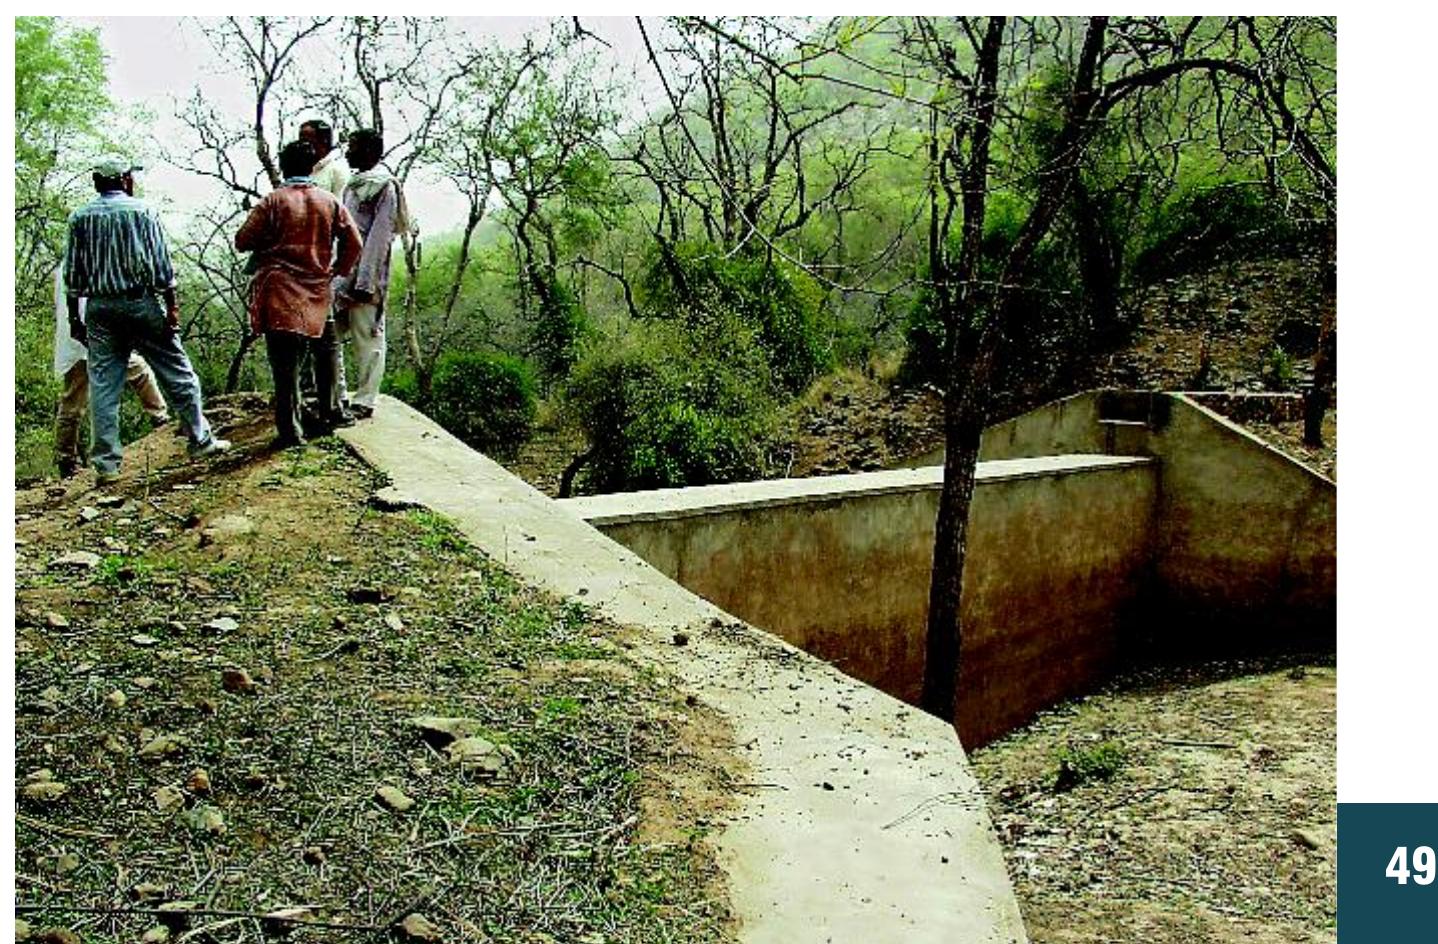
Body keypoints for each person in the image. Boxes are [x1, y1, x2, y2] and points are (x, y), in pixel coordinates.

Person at [62, 156, 229, 485]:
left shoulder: (79, 217)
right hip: (140, 302)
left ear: (97, 183)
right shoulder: (143, 211)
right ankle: (200, 439)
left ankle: (107, 466)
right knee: (176, 370)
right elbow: (161, 266)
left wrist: (74, 319)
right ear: (125, 180)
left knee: (104, 385)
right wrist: (171, 306)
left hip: (99, 308)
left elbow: (73, 276)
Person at [236, 140, 363, 447]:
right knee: (327, 356)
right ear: (311, 167)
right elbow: (355, 243)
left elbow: (243, 240)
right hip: (318, 289)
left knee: (285, 366)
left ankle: (291, 432)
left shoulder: (272, 202)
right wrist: (337, 270)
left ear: (283, 165)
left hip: (280, 291)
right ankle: (330, 414)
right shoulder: (330, 202)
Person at [52, 268, 172, 478]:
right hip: (89, 339)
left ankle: (66, 459)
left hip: (80, 339)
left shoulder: (68, 265)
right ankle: (160, 418)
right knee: (75, 401)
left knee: (73, 401)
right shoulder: (85, 263)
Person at [335, 128, 409, 419]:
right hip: (341, 272)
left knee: (368, 337)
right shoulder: (353, 186)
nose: (347, 152)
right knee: (330, 334)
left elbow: (380, 238)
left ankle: (365, 400)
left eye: (353, 147)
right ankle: (337, 396)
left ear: (369, 151)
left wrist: (366, 281)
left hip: (367, 275)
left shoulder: (385, 187)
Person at [296, 118, 353, 420]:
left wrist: (338, 268)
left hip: (322, 266)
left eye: (308, 139)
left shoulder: (336, 172)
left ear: (324, 141)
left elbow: (344, 224)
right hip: (302, 269)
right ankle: (311, 397)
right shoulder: (309, 173)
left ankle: (336, 398)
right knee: (308, 334)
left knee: (327, 337)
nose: (304, 144)